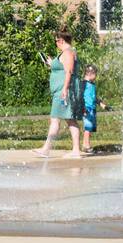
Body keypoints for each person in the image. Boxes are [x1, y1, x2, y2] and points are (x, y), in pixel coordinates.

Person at [33, 30, 83, 159]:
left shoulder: (68, 53)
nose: (56, 43)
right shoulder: (67, 52)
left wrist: (65, 89)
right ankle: (75, 150)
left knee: (56, 119)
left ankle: (47, 149)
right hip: (61, 90)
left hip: (63, 91)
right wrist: (51, 63)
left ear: (61, 40)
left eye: (56, 41)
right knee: (69, 119)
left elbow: (69, 72)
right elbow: (62, 68)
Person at [80, 65, 104, 154]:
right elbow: (80, 96)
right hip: (87, 108)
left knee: (89, 129)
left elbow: (94, 97)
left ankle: (85, 144)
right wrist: (83, 108)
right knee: (87, 127)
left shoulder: (92, 84)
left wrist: (102, 104)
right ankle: (86, 146)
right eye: (95, 74)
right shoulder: (83, 83)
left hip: (92, 108)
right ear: (90, 73)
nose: (96, 77)